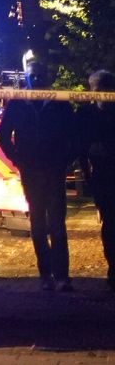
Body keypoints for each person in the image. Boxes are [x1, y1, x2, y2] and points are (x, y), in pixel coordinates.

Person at [0, 50, 77, 291]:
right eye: (33, 76)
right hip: (31, 171)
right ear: (27, 78)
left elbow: (73, 135)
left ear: (47, 78)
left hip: (53, 170)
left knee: (57, 224)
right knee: (38, 226)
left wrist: (65, 160)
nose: (37, 80)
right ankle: (46, 275)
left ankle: (61, 276)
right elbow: (2, 134)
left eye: (40, 76)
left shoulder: (60, 104)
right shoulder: (18, 104)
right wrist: (17, 159)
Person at [79, 69, 115, 292]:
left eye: (106, 89)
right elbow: (81, 148)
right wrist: (87, 176)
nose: (101, 94)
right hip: (102, 177)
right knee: (110, 224)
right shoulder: (86, 114)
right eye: (98, 89)